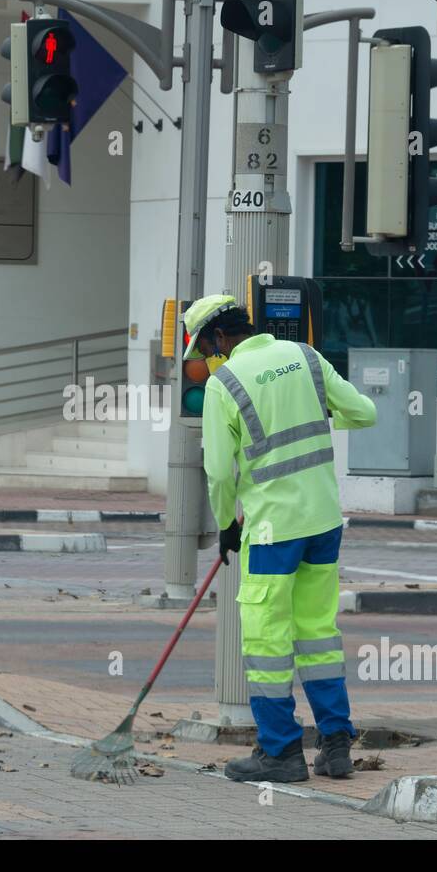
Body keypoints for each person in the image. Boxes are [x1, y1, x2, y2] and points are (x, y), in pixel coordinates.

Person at [184, 293, 378, 783]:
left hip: (272, 533)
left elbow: (217, 473)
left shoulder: (224, 383)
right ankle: (336, 748)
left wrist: (227, 523)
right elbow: (363, 413)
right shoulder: (306, 357)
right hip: (324, 523)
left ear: (219, 339)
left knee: (268, 643)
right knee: (318, 635)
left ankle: (281, 753)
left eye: (205, 350)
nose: (208, 360)